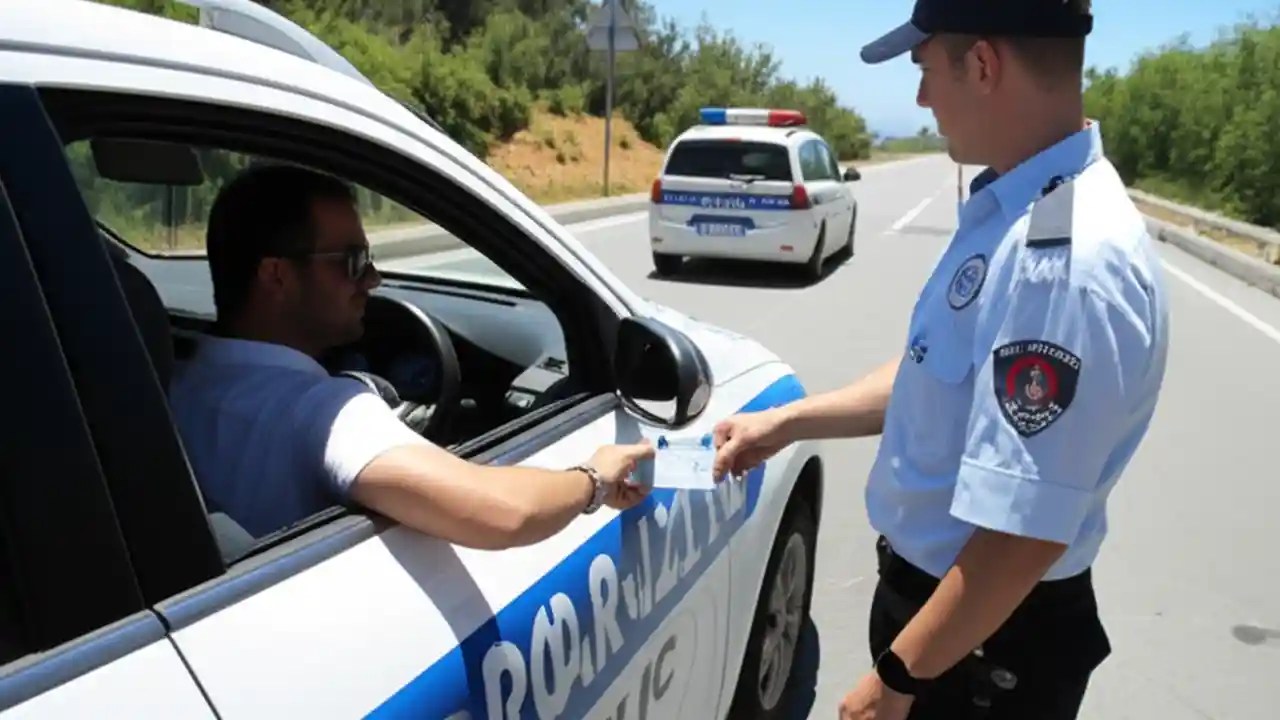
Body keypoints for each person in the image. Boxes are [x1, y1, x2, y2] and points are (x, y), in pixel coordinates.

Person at [712, 1, 1169, 718]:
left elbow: (1023, 532)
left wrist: (895, 681)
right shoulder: (1022, 212)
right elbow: (936, 372)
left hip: (977, 650)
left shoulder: (1064, 260)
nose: (922, 98)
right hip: (954, 629)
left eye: (926, 71)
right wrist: (789, 422)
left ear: (983, 65)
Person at [169, 163, 652, 547]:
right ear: (276, 275)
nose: (372, 280)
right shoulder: (323, 411)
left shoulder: (176, 379)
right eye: (352, 262)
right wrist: (594, 477)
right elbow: (505, 512)